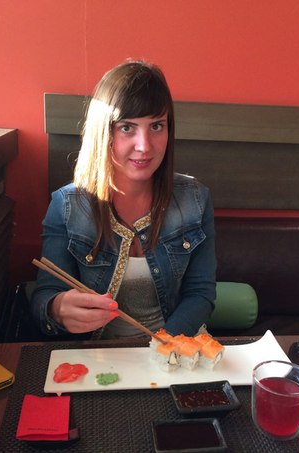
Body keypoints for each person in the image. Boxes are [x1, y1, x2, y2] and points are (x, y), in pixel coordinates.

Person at [31, 60, 217, 340]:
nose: (144, 145)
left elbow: (201, 294)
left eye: (157, 126)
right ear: (104, 132)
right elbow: (45, 295)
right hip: (98, 355)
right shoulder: (66, 206)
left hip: (177, 348)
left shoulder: (196, 199)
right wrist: (56, 309)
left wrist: (162, 346)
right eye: (127, 127)